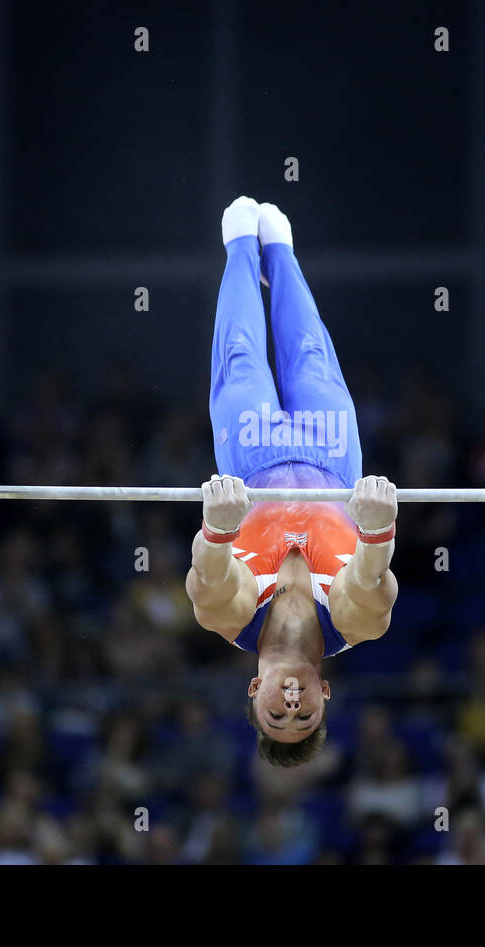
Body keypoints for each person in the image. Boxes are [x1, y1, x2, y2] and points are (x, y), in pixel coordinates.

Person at [186, 197, 400, 768]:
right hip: (333, 461)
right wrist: (377, 531)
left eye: (276, 715)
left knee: (241, 360)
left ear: (254, 692)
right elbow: (372, 582)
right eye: (303, 716)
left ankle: (238, 248)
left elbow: (206, 579)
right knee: (310, 358)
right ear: (325, 695)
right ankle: (279, 250)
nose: (290, 704)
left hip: (253, 463)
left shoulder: (231, 617)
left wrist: (217, 529)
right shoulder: (353, 624)